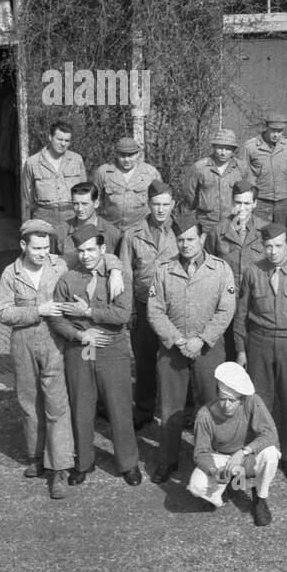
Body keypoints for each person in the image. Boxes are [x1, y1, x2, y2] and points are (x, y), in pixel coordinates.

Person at [148, 212, 238, 484]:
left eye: (190, 238)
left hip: (208, 349)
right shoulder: (164, 270)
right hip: (172, 349)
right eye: (180, 239)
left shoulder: (220, 269)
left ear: (202, 238)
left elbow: (226, 309)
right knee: (170, 408)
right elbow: (155, 311)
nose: (185, 244)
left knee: (213, 405)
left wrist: (202, 339)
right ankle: (168, 460)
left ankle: (213, 460)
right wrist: (177, 340)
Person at [50, 224, 141, 487]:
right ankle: (84, 463)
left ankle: (128, 463)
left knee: (120, 407)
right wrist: (79, 335)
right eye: (81, 251)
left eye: (91, 250)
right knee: (81, 407)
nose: (86, 255)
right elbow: (58, 319)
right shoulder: (68, 280)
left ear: (102, 249)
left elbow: (122, 315)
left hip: (112, 348)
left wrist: (88, 312)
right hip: (80, 350)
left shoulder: (118, 276)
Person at [234, 222, 287, 481]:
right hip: (260, 343)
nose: (272, 251)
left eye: (277, 246)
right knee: (260, 403)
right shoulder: (253, 272)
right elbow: (241, 316)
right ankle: (263, 454)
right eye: (268, 246)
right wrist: (241, 350)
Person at [0, 219, 75, 498]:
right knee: (29, 402)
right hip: (23, 342)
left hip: (54, 341)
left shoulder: (59, 266)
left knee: (56, 405)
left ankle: (60, 469)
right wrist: (39, 310)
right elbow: (3, 312)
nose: (42, 252)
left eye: (46, 246)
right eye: (37, 247)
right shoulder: (10, 273)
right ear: (23, 246)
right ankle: (36, 456)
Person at [187, 361, 280, 527]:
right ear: (217, 394)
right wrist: (213, 470)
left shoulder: (252, 402)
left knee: (271, 453)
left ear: (242, 400)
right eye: (222, 399)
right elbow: (201, 452)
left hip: (246, 455)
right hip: (220, 456)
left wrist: (244, 452)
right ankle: (225, 485)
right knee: (195, 487)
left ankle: (260, 498)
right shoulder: (204, 415)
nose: (226, 405)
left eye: (232, 400)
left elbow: (270, 433)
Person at [120, 179, 179, 427]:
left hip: (172, 308)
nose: (161, 209)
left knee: (175, 362)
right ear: (148, 203)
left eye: (166, 204)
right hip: (143, 305)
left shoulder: (181, 231)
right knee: (144, 363)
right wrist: (130, 310)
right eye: (156, 204)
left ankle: (177, 412)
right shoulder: (133, 233)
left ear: (173, 204)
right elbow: (125, 273)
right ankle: (144, 409)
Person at [206, 179, 266, 360]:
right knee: (228, 350)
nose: (242, 208)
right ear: (232, 202)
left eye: (247, 203)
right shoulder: (218, 231)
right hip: (227, 300)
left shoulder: (264, 230)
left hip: (256, 300)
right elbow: (208, 263)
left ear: (254, 204)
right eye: (238, 202)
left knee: (255, 350)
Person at [239, 110, 287, 238]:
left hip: (284, 201)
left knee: (285, 236)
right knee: (259, 237)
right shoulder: (250, 147)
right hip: (261, 201)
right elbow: (241, 173)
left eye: (280, 131)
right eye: (273, 130)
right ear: (266, 127)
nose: (276, 135)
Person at [180, 127, 248, 238]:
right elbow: (189, 195)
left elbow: (247, 195)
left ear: (233, 150)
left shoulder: (241, 168)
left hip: (232, 223)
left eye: (227, 148)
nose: (223, 152)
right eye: (220, 148)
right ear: (214, 147)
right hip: (206, 224)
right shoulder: (199, 167)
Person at [21, 121, 85, 225]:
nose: (63, 144)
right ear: (50, 137)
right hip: (43, 218)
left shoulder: (77, 160)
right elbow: (27, 199)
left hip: (72, 216)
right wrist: (27, 226)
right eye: (59, 139)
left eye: (67, 140)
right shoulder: (32, 163)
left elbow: (84, 193)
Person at [93, 135, 160, 228]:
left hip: (140, 229)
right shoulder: (103, 172)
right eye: (122, 155)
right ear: (116, 154)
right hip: (110, 227)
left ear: (137, 154)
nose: (126, 160)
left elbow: (160, 200)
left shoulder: (150, 173)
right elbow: (94, 200)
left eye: (130, 155)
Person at [52, 182, 121, 261]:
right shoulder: (60, 232)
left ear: (96, 203)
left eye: (84, 204)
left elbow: (117, 264)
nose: (80, 209)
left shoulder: (113, 233)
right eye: (76, 204)